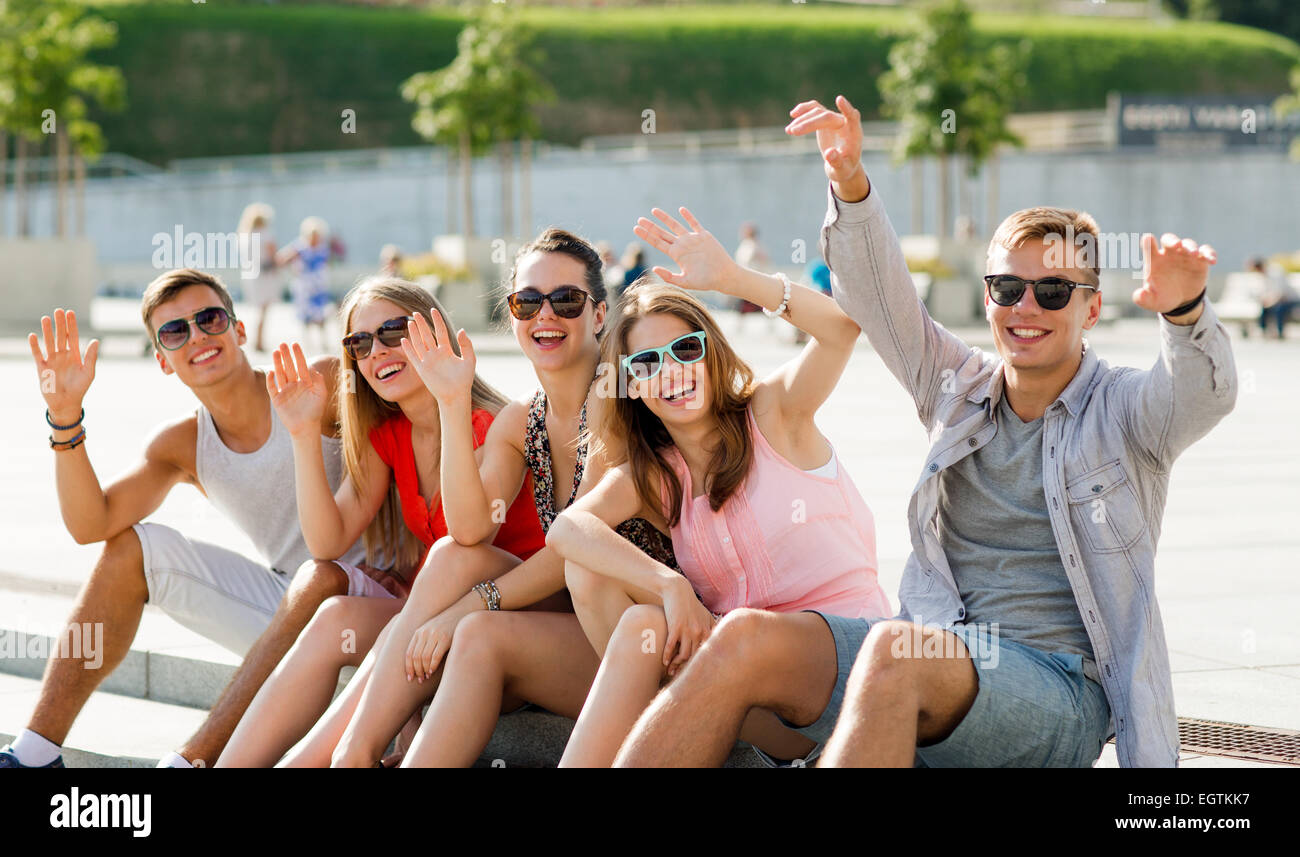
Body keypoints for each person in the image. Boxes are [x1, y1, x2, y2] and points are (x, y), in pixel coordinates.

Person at [613, 95, 1236, 769]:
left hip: (1057, 693)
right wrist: (850, 179)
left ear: (1092, 306)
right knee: (741, 639)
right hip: (934, 653)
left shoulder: (1123, 411)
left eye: (1052, 291)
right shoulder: (957, 386)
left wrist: (1184, 313)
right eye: (1006, 287)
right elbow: (881, 298)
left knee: (894, 651)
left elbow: (1200, 395)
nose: (1025, 307)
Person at [313, 228, 680, 768]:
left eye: (566, 300)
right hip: (575, 627)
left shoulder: (617, 402)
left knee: (477, 624)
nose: (544, 316)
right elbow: (468, 532)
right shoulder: (520, 421)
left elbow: (574, 549)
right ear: (511, 315)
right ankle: (354, 756)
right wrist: (451, 401)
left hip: (644, 641)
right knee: (453, 564)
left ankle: (354, 755)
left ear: (600, 314)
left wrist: (466, 606)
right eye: (527, 301)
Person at [546, 207, 893, 767]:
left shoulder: (773, 415)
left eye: (685, 350)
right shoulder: (657, 474)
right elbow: (569, 530)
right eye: (647, 364)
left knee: (741, 635)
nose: (672, 372)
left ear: (710, 351)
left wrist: (734, 280)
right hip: (748, 688)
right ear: (631, 384)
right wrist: (669, 586)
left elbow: (839, 329)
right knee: (618, 598)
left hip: (846, 674)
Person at [3, 268, 376, 769]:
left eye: (210, 318)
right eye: (176, 331)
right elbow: (90, 524)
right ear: (162, 359)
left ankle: (190, 763)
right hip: (290, 609)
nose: (197, 336)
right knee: (131, 547)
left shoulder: (318, 383)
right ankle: (34, 755)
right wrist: (66, 414)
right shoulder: (181, 445)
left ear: (239, 330)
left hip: (380, 604)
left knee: (319, 578)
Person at [215, 276, 548, 767]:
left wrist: (452, 402)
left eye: (394, 331)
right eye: (359, 343)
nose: (376, 351)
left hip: (525, 620)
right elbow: (327, 541)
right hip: (440, 625)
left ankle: (340, 758)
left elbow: (471, 536)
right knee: (335, 619)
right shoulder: (392, 435)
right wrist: (304, 433)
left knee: (452, 557)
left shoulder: (491, 425)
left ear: (433, 332)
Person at [277, 217, 333, 348]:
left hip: (318, 285)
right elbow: (282, 258)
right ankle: (308, 341)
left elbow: (327, 262)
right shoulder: (300, 246)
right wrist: (294, 268)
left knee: (321, 313)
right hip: (304, 285)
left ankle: (323, 340)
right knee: (306, 314)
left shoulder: (322, 247)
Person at [236, 203, 279, 353]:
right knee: (264, 310)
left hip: (250, 275)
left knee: (256, 309)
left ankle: (255, 339)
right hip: (265, 275)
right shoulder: (265, 234)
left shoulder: (244, 235)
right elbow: (274, 256)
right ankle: (259, 341)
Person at [1252, 258, 1299, 339]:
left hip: (1290, 300)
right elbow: (1264, 293)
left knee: (1279, 309)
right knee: (1264, 309)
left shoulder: (1275, 273)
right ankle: (1264, 331)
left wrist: (1270, 302)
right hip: (1276, 301)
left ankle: (1280, 332)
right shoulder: (1263, 276)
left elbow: (1282, 293)